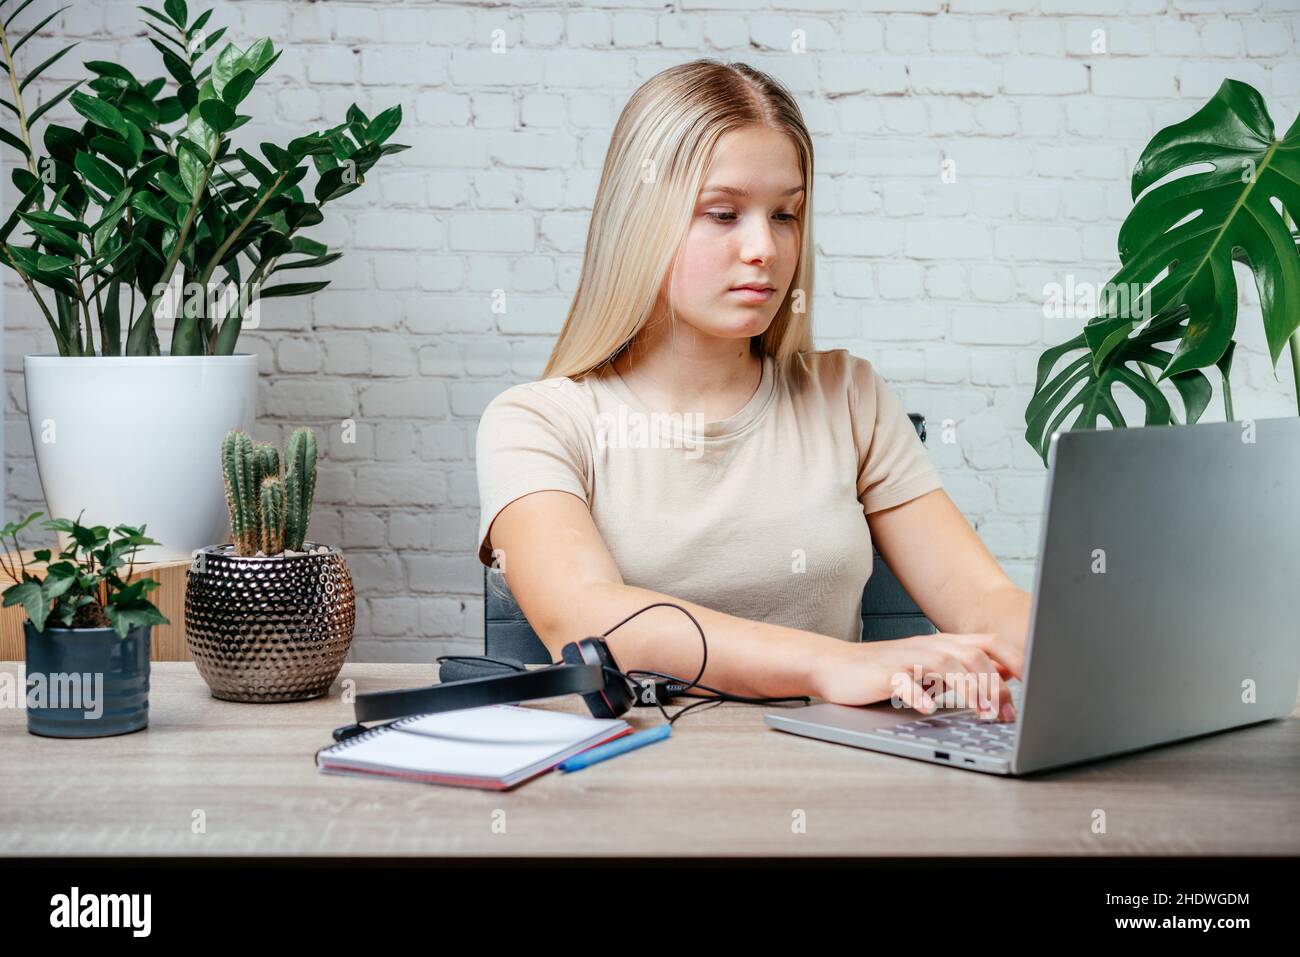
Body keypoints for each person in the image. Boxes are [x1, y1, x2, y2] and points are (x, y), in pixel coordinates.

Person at [475, 59, 1029, 721]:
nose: (764, 247)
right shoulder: (535, 422)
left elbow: (985, 599)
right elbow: (589, 616)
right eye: (723, 213)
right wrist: (835, 662)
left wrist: (1094, 651)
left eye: (786, 214)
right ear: (642, 221)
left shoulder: (847, 395)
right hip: (625, 785)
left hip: (835, 777)